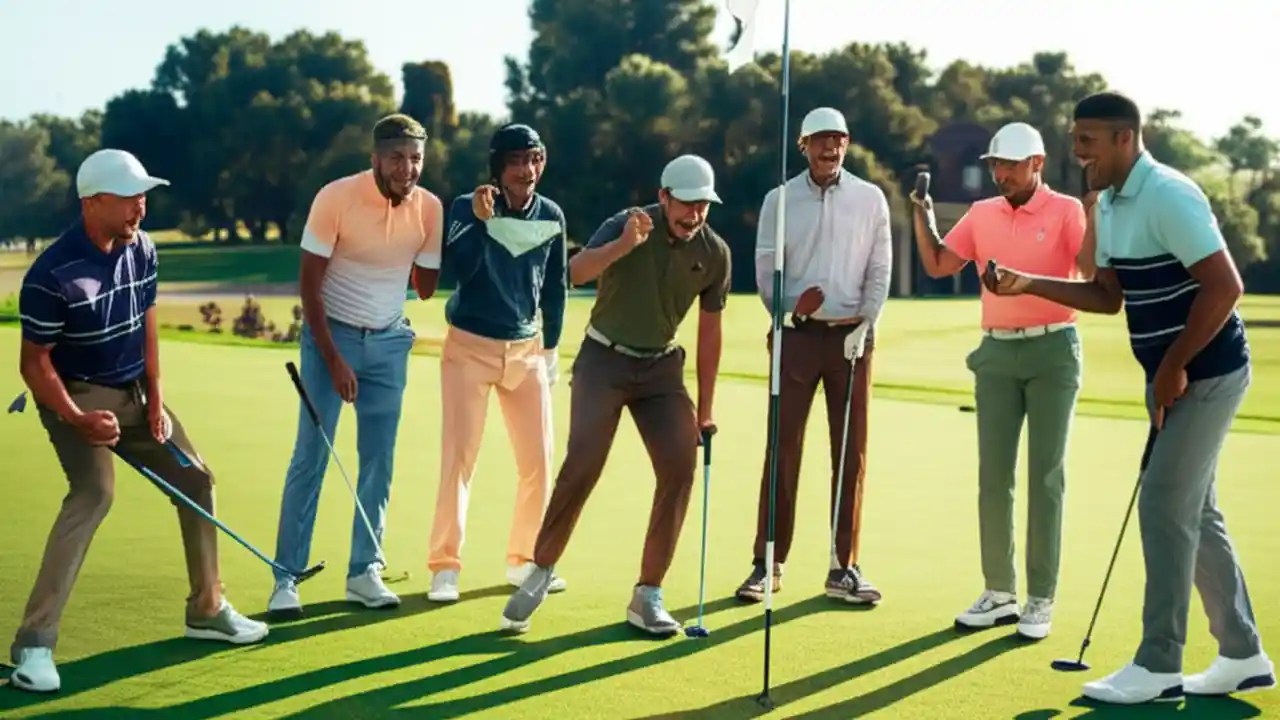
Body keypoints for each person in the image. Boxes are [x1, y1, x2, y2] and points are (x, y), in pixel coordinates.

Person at [987, 91, 1275, 704]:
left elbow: (1226, 287)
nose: (1076, 150)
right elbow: (1108, 294)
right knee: (1196, 511)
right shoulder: (1111, 204)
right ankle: (1243, 653)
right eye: (1074, 137)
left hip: (1209, 371)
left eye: (1087, 139)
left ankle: (1159, 663)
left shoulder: (1169, 194)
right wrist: (1027, 283)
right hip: (1171, 374)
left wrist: (1173, 366)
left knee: (1164, 503)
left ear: (1124, 137)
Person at [9, 149, 268, 693]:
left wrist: (156, 399)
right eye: (129, 198)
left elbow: (148, 326)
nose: (141, 208)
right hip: (77, 398)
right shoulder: (51, 274)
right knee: (94, 494)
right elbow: (34, 364)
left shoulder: (142, 248)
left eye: (143, 196)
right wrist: (79, 418)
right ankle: (34, 647)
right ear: (93, 202)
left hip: (135, 392)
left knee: (196, 480)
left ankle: (206, 609)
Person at [500, 154, 731, 636]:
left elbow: (711, 333)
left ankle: (647, 593)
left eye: (703, 207)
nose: (695, 215)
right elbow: (577, 272)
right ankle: (540, 568)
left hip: (661, 369)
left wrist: (705, 410)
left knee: (679, 464)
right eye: (686, 205)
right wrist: (625, 245)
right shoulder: (627, 223)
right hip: (604, 359)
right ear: (664, 196)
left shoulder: (714, 253)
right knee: (583, 463)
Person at [909, 121, 1091, 641]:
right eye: (996, 165)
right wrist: (922, 218)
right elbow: (941, 263)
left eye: (1010, 165)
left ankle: (1040, 599)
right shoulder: (981, 213)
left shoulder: (1066, 211)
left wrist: (1096, 218)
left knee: (1046, 478)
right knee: (995, 479)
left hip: (1054, 349)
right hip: (995, 352)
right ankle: (999, 591)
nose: (1000, 174)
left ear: (1036, 164)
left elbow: (1085, 273)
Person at [268, 114, 444, 615]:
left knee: (378, 461)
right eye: (396, 158)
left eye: (415, 159)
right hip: (333, 337)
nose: (406, 168)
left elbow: (426, 288)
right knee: (312, 456)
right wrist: (334, 359)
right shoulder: (335, 198)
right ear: (375, 158)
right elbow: (308, 286)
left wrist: (447, 230)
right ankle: (287, 578)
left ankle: (364, 571)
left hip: (389, 344)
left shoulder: (429, 207)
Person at [735, 107, 892, 607]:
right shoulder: (779, 200)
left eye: (839, 140)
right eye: (821, 140)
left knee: (851, 456)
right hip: (797, 337)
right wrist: (787, 306)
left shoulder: (870, 199)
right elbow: (765, 270)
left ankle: (843, 566)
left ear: (847, 143)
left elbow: (880, 266)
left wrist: (867, 322)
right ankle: (768, 562)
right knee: (782, 450)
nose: (831, 149)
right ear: (803, 145)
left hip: (852, 340)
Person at [425, 123, 569, 602]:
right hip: (469, 346)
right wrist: (483, 225)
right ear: (499, 168)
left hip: (525, 351)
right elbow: (458, 270)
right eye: (515, 162)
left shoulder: (551, 214)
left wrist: (552, 348)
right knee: (459, 460)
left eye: (532, 160)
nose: (525, 171)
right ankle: (445, 566)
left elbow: (555, 287)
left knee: (539, 461)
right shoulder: (468, 206)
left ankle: (525, 558)